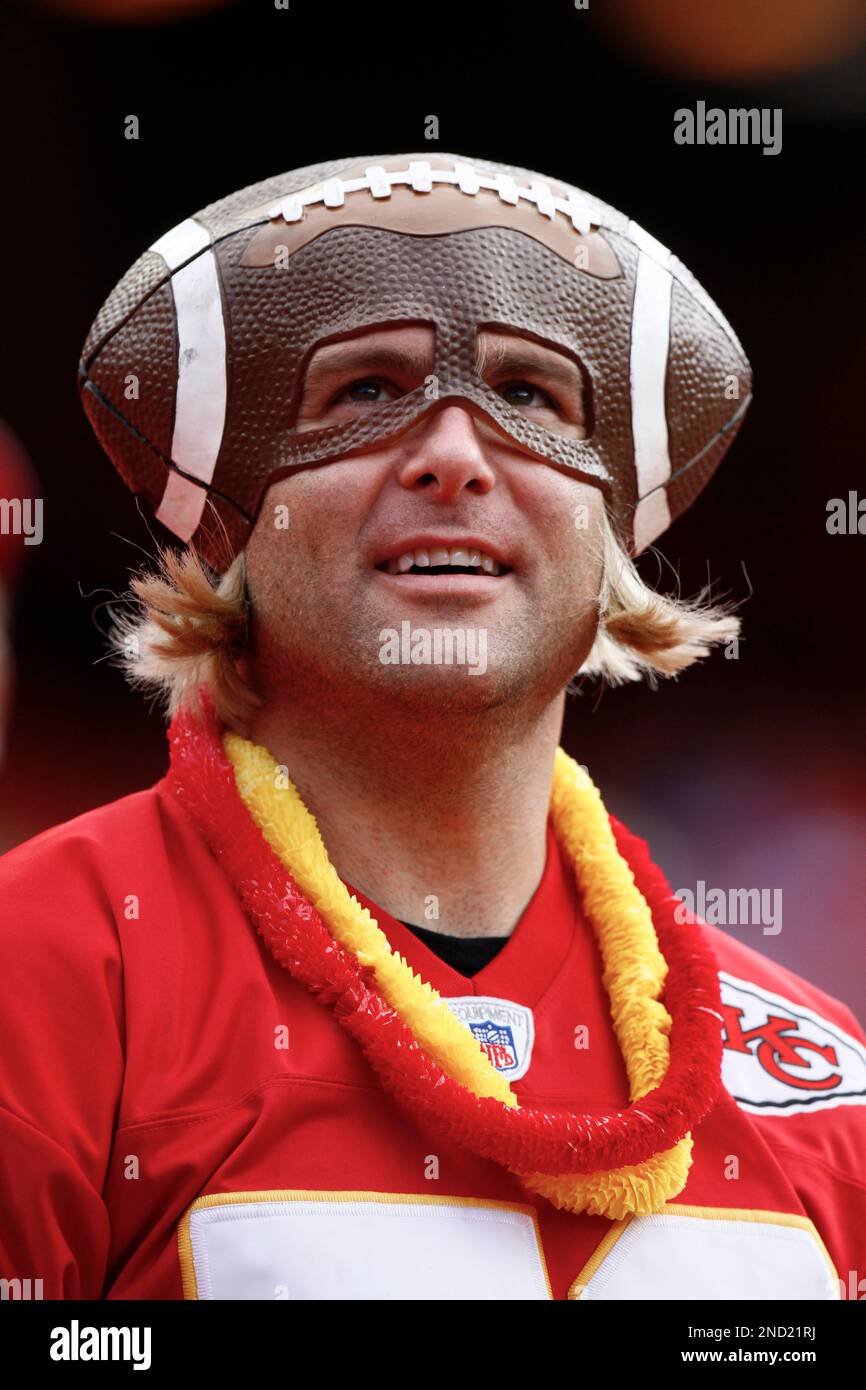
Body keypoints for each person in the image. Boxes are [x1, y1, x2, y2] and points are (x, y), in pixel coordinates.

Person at [1, 152, 863, 1301]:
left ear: (607, 539)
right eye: (362, 390)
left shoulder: (823, 1082)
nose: (454, 455)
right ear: (233, 522)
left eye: (529, 397)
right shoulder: (40, 977)